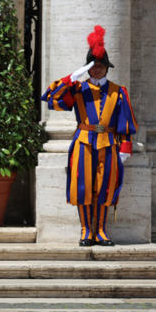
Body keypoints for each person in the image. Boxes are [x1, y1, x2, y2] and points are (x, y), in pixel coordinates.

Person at [41, 25, 138, 246]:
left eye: (101, 67)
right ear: (88, 69)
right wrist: (69, 78)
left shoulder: (118, 91)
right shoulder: (77, 89)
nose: (97, 71)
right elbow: (50, 98)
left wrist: (125, 148)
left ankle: (101, 231)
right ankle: (86, 230)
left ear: (107, 68)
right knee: (83, 187)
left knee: (105, 186)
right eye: (94, 67)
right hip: (84, 142)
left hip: (109, 143)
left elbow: (126, 123)